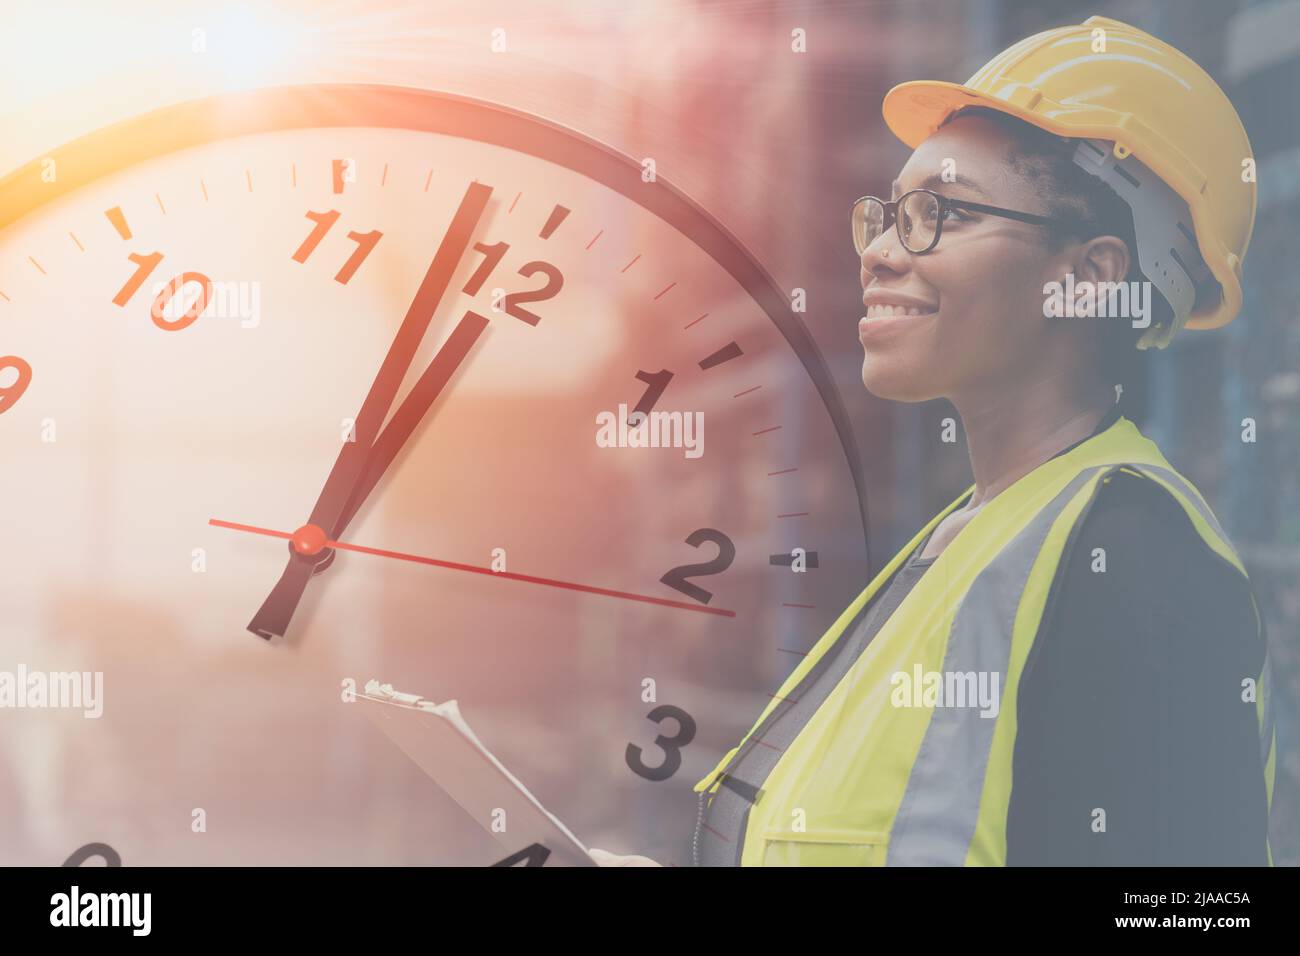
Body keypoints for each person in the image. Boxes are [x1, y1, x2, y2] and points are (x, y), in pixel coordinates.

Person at [592, 15, 1275, 867]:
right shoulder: (969, 538)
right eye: (885, 215)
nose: (879, 252)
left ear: (1090, 275)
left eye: (938, 214)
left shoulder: (1138, 560)